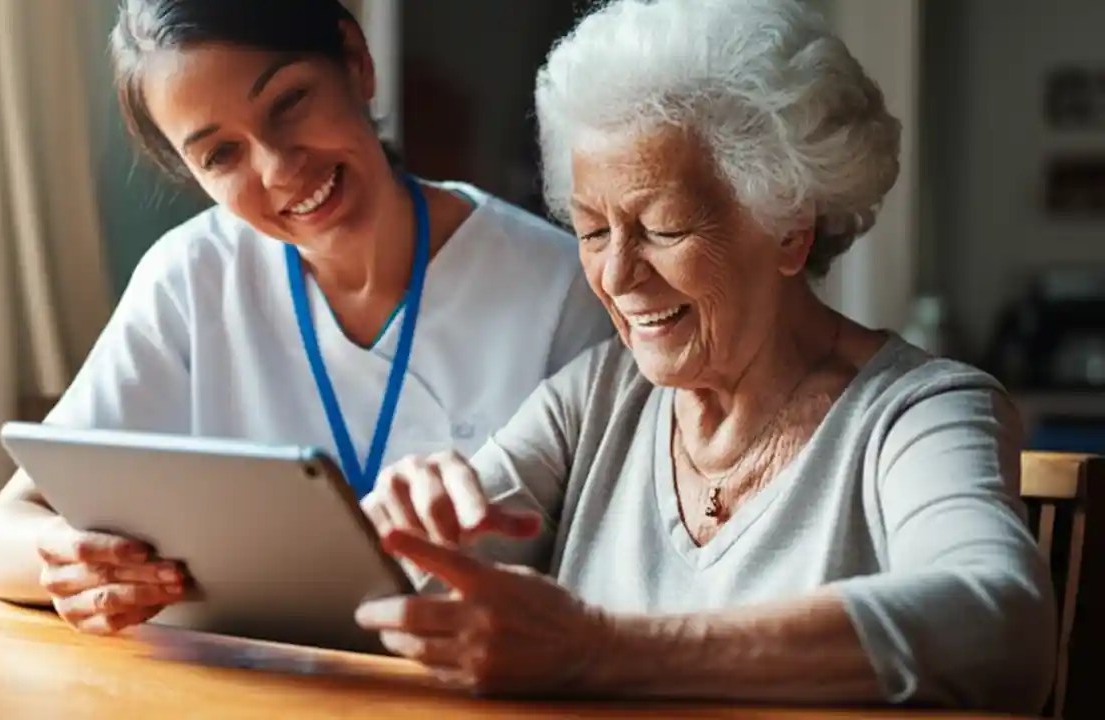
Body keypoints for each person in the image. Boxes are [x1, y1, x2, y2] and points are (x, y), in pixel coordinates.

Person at [354, 0, 1057, 713]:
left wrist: (602, 650)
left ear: (790, 228)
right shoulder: (593, 400)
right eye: (593, 231)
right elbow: (398, 602)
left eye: (663, 229)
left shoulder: (919, 413)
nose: (617, 276)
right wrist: (406, 539)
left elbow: (998, 623)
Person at [0, 0, 612, 635]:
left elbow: (616, 575)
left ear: (355, 62)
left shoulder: (560, 286)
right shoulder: (192, 278)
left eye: (290, 102)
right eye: (221, 155)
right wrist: (74, 560)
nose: (278, 168)